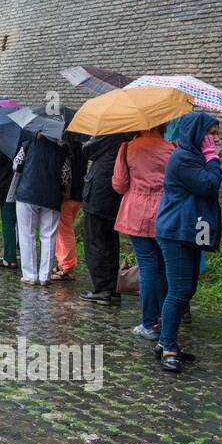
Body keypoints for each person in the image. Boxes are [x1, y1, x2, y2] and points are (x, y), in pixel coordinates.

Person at [155, 112, 222, 373]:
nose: (214, 140)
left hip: (190, 231)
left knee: (188, 288)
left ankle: (165, 342)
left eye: (216, 135)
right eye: (211, 134)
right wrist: (213, 158)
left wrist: (209, 159)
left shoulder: (194, 157)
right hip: (176, 232)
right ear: (197, 133)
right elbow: (209, 185)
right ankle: (168, 345)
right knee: (179, 290)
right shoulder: (183, 158)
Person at [113, 124, 173, 339]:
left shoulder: (128, 148)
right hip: (164, 214)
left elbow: (119, 185)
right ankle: (165, 320)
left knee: (147, 268)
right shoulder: (171, 149)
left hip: (136, 214)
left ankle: (148, 323)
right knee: (165, 267)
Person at [79, 133, 130, 304]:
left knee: (95, 241)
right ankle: (113, 287)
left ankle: (102, 288)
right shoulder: (131, 133)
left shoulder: (110, 130)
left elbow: (87, 150)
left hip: (99, 193)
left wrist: (94, 136)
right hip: (116, 194)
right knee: (111, 241)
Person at [14, 130, 67, 285]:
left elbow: (16, 164)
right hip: (52, 196)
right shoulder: (63, 150)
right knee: (48, 236)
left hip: (27, 193)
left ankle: (30, 275)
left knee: (27, 235)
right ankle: (45, 276)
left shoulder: (29, 143)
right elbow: (66, 177)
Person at [51, 135, 85, 281]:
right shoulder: (82, 146)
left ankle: (67, 267)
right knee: (65, 228)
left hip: (68, 195)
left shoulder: (65, 148)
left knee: (64, 231)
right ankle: (63, 263)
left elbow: (64, 173)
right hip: (79, 194)